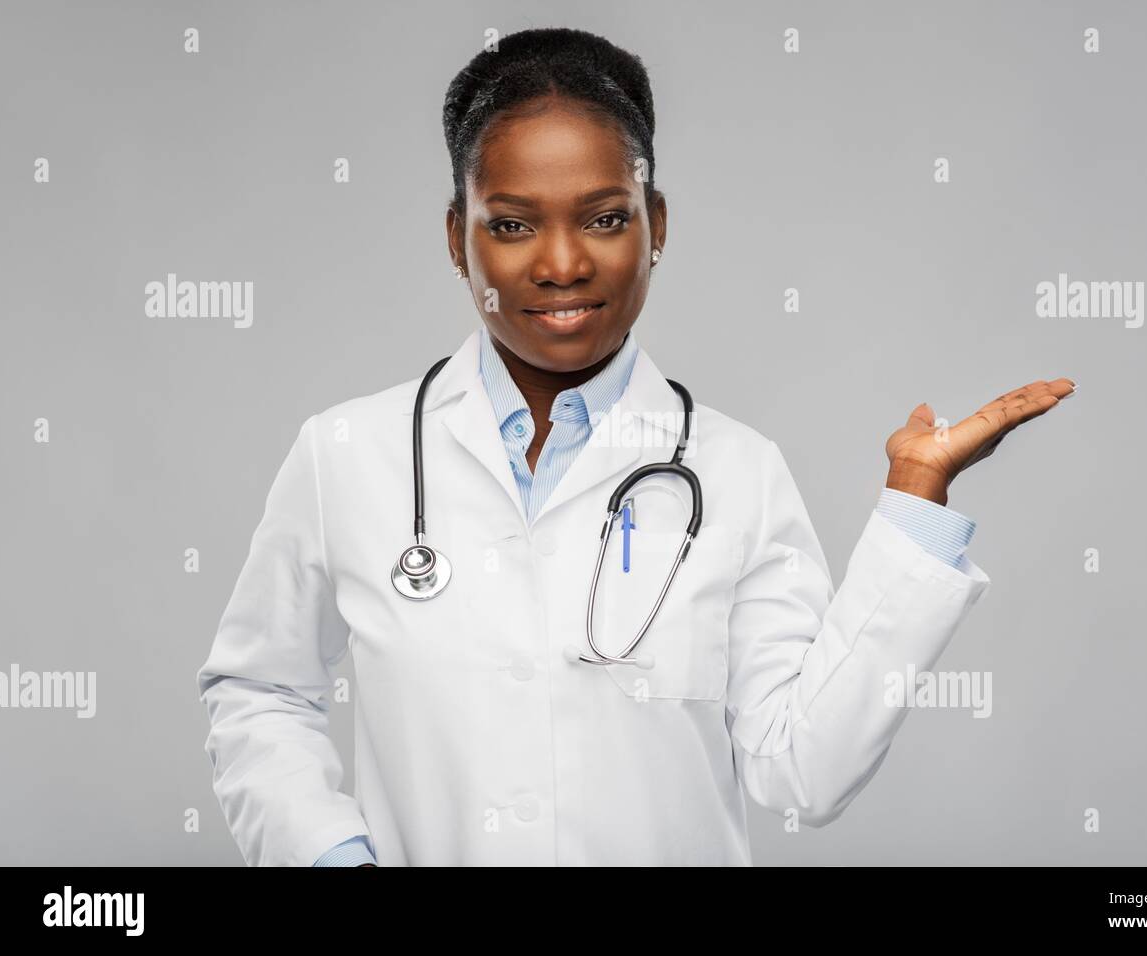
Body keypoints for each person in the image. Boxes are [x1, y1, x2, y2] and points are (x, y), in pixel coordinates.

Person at [196, 26, 1075, 867]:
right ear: (455, 239)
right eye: (511, 224)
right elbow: (259, 694)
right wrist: (329, 855)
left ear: (656, 225)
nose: (562, 263)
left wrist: (914, 506)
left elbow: (802, 769)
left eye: (606, 218)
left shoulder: (738, 473)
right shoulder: (346, 455)